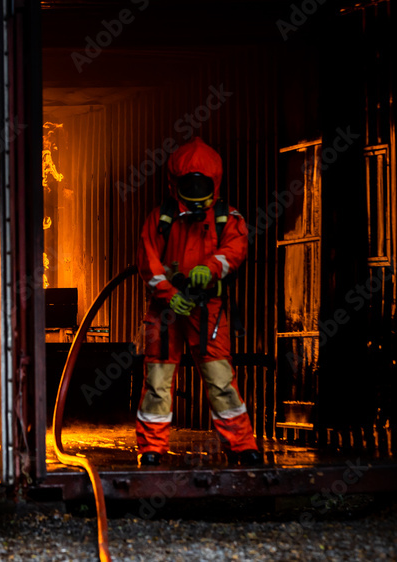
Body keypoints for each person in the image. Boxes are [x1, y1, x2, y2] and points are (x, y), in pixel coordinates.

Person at [135, 137, 262, 467]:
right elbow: (148, 263)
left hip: (208, 311)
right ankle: (151, 447)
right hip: (165, 313)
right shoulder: (160, 217)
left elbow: (236, 250)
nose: (195, 201)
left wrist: (212, 267)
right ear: (175, 184)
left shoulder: (227, 217)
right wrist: (169, 295)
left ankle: (241, 445)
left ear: (214, 184)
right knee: (158, 382)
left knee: (220, 380)